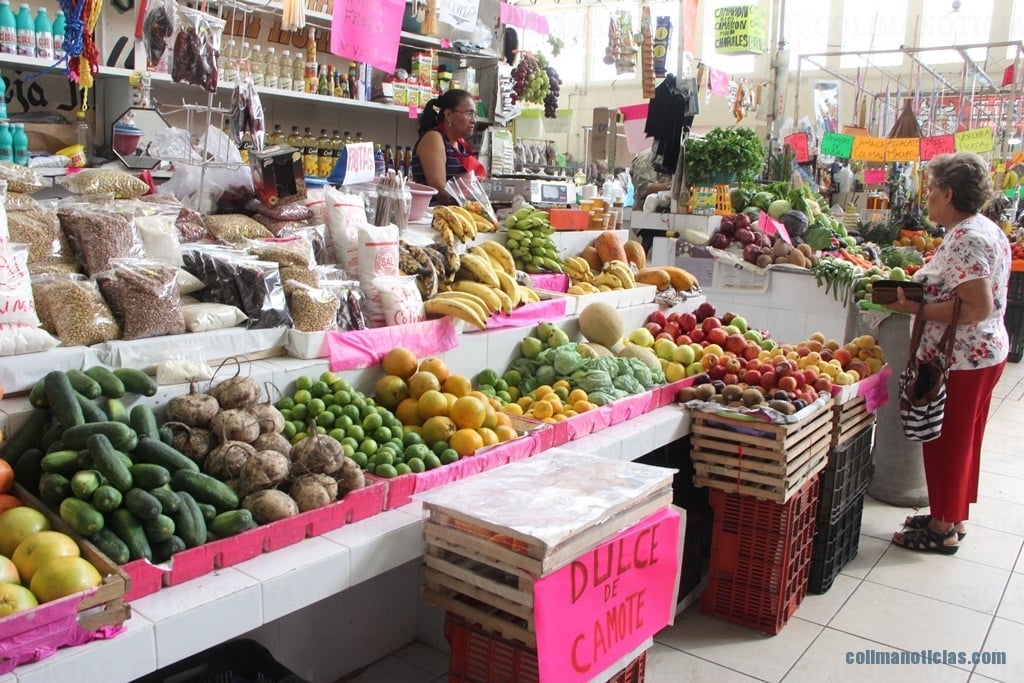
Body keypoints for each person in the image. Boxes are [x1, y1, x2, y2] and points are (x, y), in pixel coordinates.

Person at [884, 151, 1010, 555]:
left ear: (949, 193)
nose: (927, 197)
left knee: (948, 442)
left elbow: (976, 307)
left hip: (962, 359)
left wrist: (916, 308)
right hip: (981, 353)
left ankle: (942, 530)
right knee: (964, 439)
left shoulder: (966, 238)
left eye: (932, 189)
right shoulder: (983, 228)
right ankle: (951, 515)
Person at [410, 89, 486, 204]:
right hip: (434, 212)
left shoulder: (460, 144)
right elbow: (440, 190)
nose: (474, 120)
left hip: (456, 210)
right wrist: (470, 201)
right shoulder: (434, 138)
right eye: (469, 114)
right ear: (449, 115)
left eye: (475, 115)